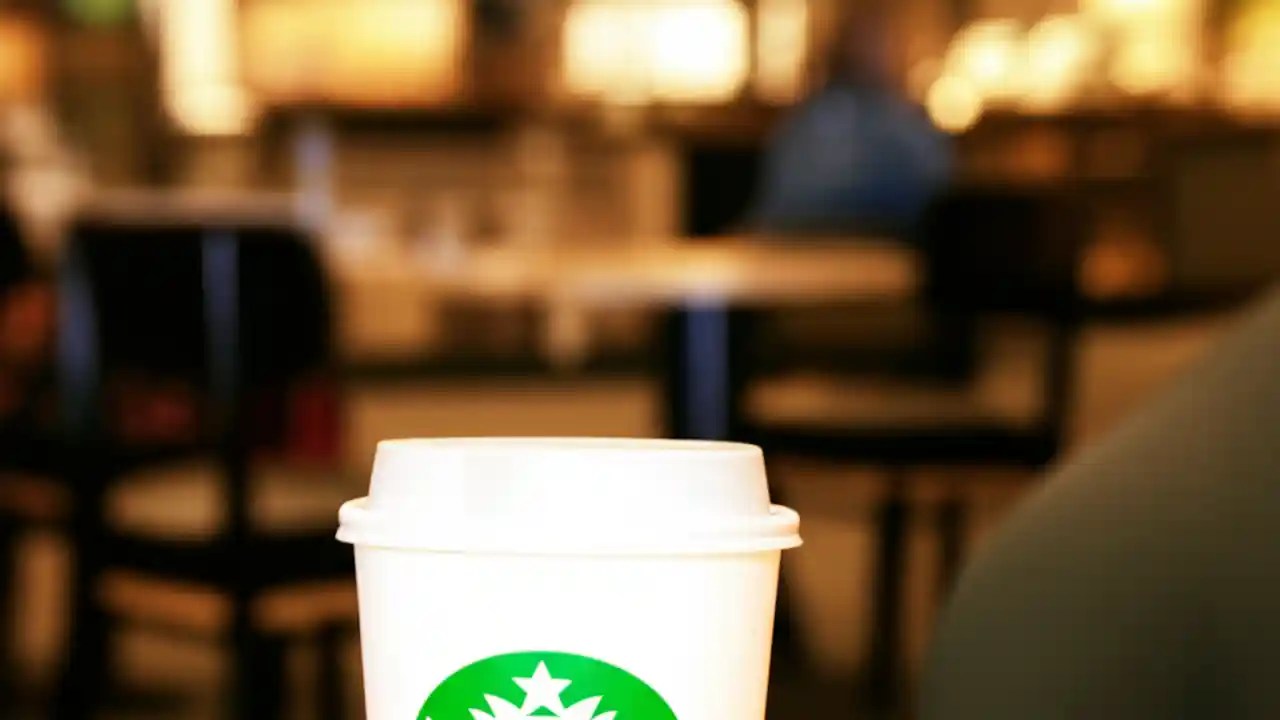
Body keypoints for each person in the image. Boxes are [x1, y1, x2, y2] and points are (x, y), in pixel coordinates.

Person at [751, 6, 952, 237]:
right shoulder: (814, 119)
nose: (875, 50)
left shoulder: (907, 123)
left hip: (887, 247)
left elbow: (936, 186)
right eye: (867, 38)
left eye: (882, 40)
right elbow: (792, 199)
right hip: (798, 246)